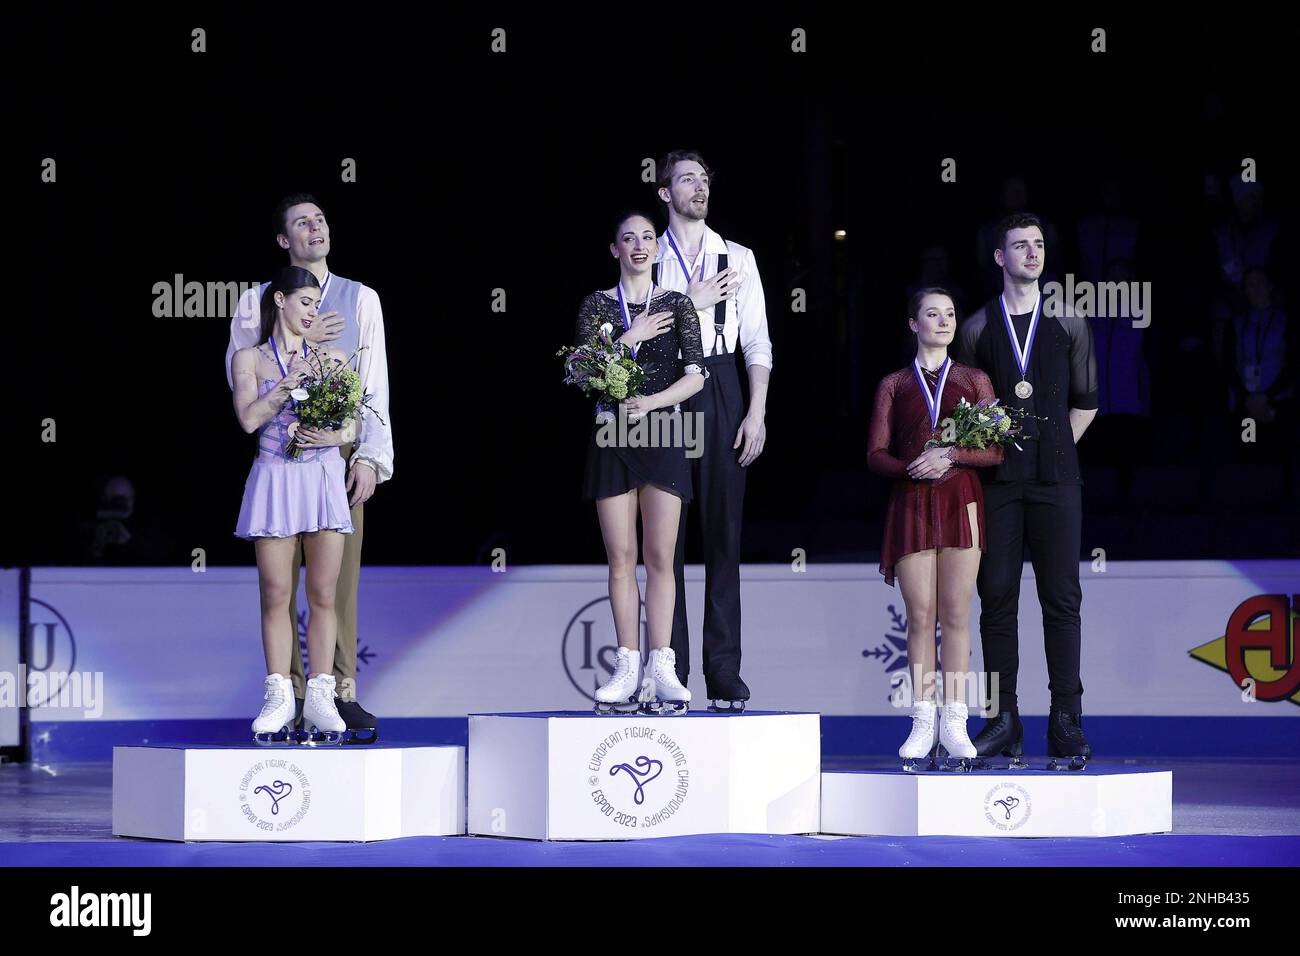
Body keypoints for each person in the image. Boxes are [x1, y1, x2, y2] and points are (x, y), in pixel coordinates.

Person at [226, 194, 393, 743]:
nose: (315, 227)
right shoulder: (254, 302)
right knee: (278, 588)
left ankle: (335, 693)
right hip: (278, 456)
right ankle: (286, 692)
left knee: (334, 586)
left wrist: (369, 454)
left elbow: (372, 389)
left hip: (334, 455)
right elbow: (245, 390)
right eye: (301, 222)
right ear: (283, 240)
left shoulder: (361, 297)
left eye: (320, 218)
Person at [953, 212, 1099, 770]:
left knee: (1062, 600)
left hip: (1058, 480)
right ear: (1000, 257)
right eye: (1020, 246)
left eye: (1039, 244)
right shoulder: (975, 328)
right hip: (996, 483)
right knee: (996, 600)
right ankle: (1001, 719)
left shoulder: (1070, 321)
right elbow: (964, 412)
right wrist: (999, 450)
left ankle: (1066, 722)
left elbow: (1085, 401)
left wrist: (1057, 443)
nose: (1032, 254)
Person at [652, 150, 773, 712]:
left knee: (724, 535)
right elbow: (627, 332)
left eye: (704, 179)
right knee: (665, 543)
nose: (699, 188)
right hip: (664, 386)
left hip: (723, 386)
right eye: (686, 180)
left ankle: (723, 671)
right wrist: (685, 305)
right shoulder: (648, 256)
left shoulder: (739, 257)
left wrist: (757, 411)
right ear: (664, 194)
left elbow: (758, 341)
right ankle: (666, 669)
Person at [869, 289, 1003, 769]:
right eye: (932, 314)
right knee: (921, 615)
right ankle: (922, 719)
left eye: (949, 314)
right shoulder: (893, 384)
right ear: (913, 324)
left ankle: (956, 721)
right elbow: (875, 454)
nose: (943, 321)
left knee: (957, 614)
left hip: (960, 499)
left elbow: (995, 450)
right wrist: (912, 467)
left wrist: (950, 454)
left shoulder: (974, 379)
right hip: (911, 502)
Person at [579, 211, 707, 715]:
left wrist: (652, 404)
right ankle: (626, 664)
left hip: (663, 431)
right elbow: (581, 371)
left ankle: (662, 665)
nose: (638, 245)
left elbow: (696, 375)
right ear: (614, 248)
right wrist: (627, 339)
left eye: (647, 238)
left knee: (661, 555)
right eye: (627, 237)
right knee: (620, 556)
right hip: (611, 436)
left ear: (657, 247)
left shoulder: (676, 304)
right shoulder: (597, 304)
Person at [231, 267, 357, 744]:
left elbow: (352, 428)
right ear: (280, 301)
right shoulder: (250, 359)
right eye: (304, 302)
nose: (312, 312)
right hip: (275, 477)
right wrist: (286, 385)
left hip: (322, 476)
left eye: (316, 305)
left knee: (323, 594)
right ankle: (280, 695)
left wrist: (333, 435)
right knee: (275, 592)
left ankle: (322, 698)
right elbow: (247, 420)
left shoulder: (334, 359)